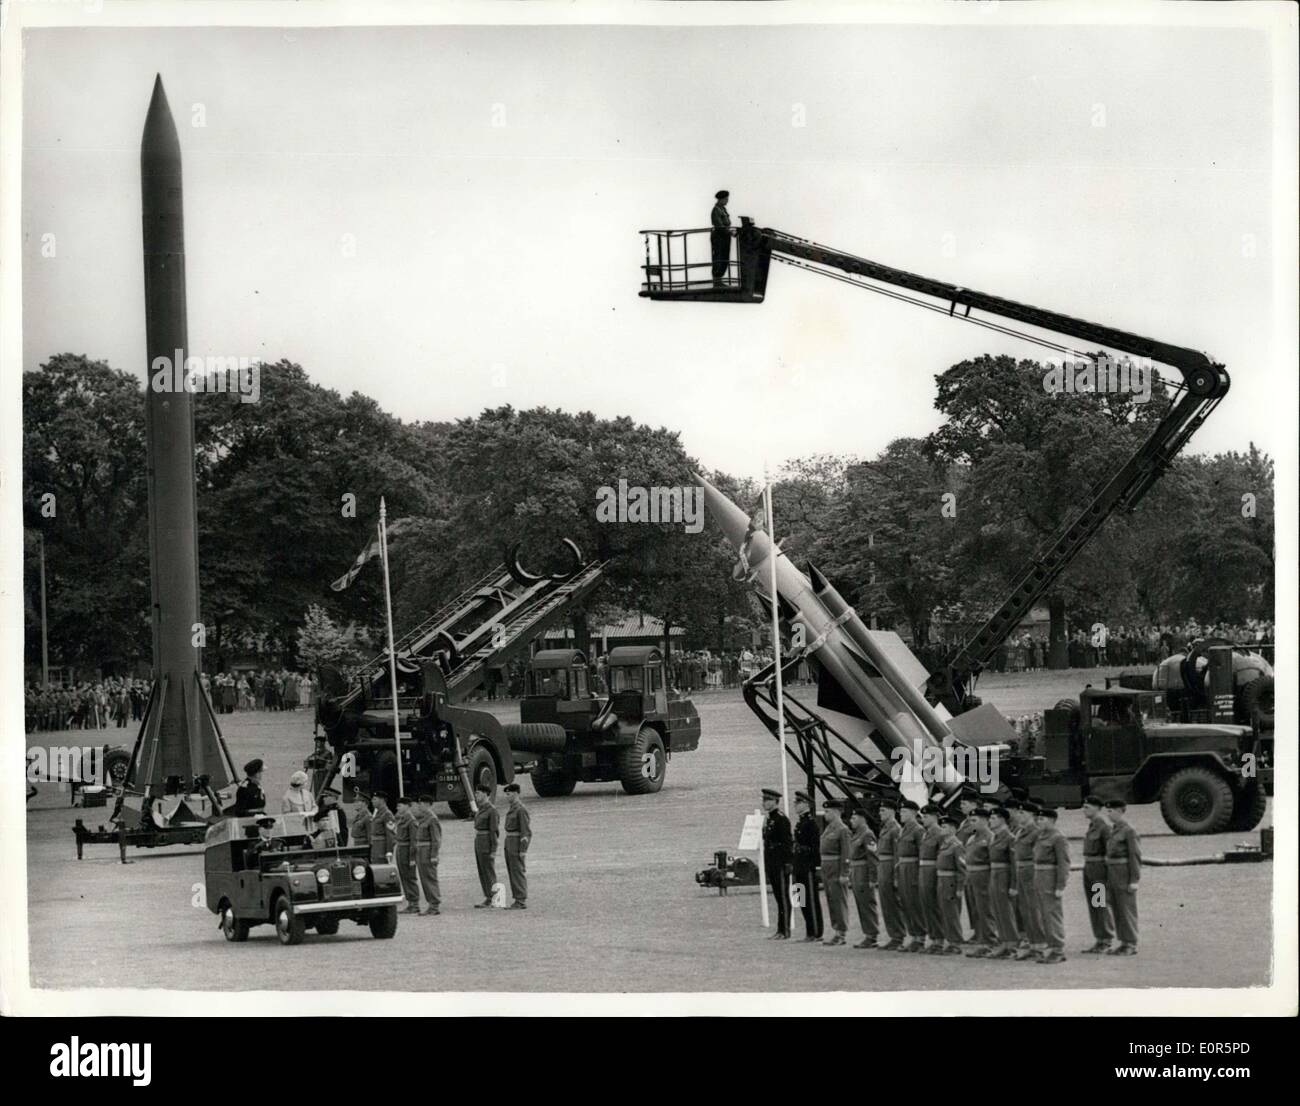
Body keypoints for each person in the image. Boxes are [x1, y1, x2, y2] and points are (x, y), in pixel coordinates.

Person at [1032, 806, 1071, 964]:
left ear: (1052, 821)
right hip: (1040, 878)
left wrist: (1060, 885)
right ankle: (1051, 946)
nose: (1039, 821)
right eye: (1038, 819)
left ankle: (1058, 949)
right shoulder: (1041, 836)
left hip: (1050, 879)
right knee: (1043, 914)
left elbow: (1064, 863)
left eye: (1043, 819)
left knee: (1052, 914)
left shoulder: (1058, 837)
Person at [1104, 799, 1141, 955]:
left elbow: (1135, 856)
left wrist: (1134, 880)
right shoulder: (1115, 829)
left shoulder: (1129, 830)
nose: (1109, 814)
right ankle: (1123, 942)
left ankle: (1130, 943)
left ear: (1120, 811)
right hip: (1113, 873)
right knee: (1117, 908)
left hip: (1123, 873)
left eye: (1111, 811)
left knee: (1126, 909)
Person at [1080, 795, 1117, 954]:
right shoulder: (1093, 826)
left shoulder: (1103, 827)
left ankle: (1106, 939)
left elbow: (1111, 851)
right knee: (1094, 905)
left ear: (1097, 808)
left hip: (1099, 871)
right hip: (1089, 868)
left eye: (1087, 807)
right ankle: (1099, 938)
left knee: (1100, 904)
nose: (1084, 809)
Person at [1010, 800, 1044, 961]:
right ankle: (1032, 944)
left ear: (1032, 815)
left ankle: (1040, 944)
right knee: (1025, 909)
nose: (1019, 815)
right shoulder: (1021, 831)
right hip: (1021, 871)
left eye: (1022, 813)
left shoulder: (1036, 832)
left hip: (1031, 872)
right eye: (1018, 812)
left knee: (1034, 909)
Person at [985, 805, 1020, 958]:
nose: (990, 821)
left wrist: (1014, 885)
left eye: (993, 818)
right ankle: (1004, 942)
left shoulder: (1009, 838)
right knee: (997, 910)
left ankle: (1012, 944)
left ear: (1002, 820)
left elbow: (1014, 863)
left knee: (1006, 911)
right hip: (995, 875)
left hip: (1004, 876)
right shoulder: (995, 837)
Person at [963, 806, 998, 956]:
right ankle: (980, 938)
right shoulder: (972, 837)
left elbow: (993, 859)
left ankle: (988, 941)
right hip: (971, 876)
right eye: (970, 820)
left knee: (985, 909)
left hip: (984, 876)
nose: (971, 823)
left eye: (974, 820)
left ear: (985, 821)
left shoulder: (990, 837)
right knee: (975, 909)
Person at [819, 799, 853, 946]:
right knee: (831, 900)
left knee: (839, 900)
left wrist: (845, 873)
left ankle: (842, 932)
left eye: (827, 812)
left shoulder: (842, 829)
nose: (825, 814)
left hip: (836, 867)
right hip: (827, 868)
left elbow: (846, 853)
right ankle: (836, 930)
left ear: (836, 812)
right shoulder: (829, 828)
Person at [760, 787, 792, 939]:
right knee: (778, 897)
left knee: (783, 897)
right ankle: (780, 929)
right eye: (764, 800)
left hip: (779, 862)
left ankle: (784, 930)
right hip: (772, 862)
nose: (764, 803)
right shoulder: (771, 819)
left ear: (775, 802)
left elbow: (787, 843)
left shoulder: (781, 819)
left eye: (767, 800)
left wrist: (787, 863)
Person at [791, 791, 824, 942]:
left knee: (810, 900)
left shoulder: (811, 824)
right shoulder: (801, 822)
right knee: (801, 899)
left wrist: (816, 867)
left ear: (806, 804)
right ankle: (809, 930)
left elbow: (815, 847)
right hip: (799, 866)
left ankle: (815, 932)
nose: (795, 805)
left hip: (807, 866)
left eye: (798, 802)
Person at [875, 801, 906, 950]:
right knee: (886, 904)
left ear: (892, 811)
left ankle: (898, 935)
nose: (880, 813)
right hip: (883, 867)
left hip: (890, 868)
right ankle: (893, 935)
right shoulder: (885, 828)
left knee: (893, 903)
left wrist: (895, 876)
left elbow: (897, 854)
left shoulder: (895, 829)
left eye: (883, 810)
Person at [847, 804, 880, 949]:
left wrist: (873, 878)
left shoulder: (867, 834)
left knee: (867, 903)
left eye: (854, 818)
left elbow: (872, 857)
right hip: (856, 871)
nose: (850, 820)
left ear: (862, 819)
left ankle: (872, 935)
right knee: (861, 904)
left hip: (864, 872)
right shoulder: (857, 834)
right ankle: (868, 934)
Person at [894, 799, 925, 952]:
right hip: (903, 867)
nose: (901, 814)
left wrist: (919, 874)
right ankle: (913, 935)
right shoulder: (903, 829)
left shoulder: (918, 830)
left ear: (913, 813)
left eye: (904, 811)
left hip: (913, 868)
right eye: (901, 811)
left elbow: (922, 853)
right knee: (905, 902)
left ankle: (920, 937)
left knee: (914, 902)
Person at [934, 815, 967, 955]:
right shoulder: (945, 844)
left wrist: (960, 888)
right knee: (944, 911)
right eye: (941, 826)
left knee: (952, 913)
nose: (942, 829)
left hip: (951, 882)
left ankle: (956, 942)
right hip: (942, 880)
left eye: (945, 826)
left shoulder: (956, 845)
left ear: (953, 829)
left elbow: (962, 868)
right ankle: (949, 940)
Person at [917, 805, 944, 952]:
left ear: (935, 817)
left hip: (933, 871)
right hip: (923, 871)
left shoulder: (939, 833)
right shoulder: (926, 834)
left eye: (926, 817)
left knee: (934, 905)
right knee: (926, 905)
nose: (923, 819)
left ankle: (939, 940)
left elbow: (941, 855)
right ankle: (933, 938)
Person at [503, 783, 532, 909]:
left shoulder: (520, 809)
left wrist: (523, 850)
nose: (507, 797)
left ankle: (521, 899)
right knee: (512, 871)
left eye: (508, 794)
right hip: (510, 842)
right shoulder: (512, 808)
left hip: (515, 843)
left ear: (515, 794)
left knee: (517, 871)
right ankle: (517, 898)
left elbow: (525, 832)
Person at [413, 794, 442, 916]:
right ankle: (431, 904)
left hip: (428, 851)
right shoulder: (424, 818)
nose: (419, 806)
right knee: (424, 878)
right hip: (421, 851)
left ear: (427, 804)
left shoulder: (432, 819)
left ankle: (434, 904)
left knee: (430, 877)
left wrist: (434, 855)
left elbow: (436, 839)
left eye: (421, 803)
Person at [472, 783, 501, 908]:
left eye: (478, 793)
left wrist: (493, 849)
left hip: (486, 842)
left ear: (485, 794)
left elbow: (494, 831)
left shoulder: (491, 810)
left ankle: (495, 897)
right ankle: (488, 896)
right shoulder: (481, 809)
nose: (476, 795)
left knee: (489, 871)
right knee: (482, 870)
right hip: (479, 840)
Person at [393, 795, 421, 914]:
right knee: (404, 876)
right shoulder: (402, 819)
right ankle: (410, 902)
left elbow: (414, 842)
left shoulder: (411, 820)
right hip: (401, 849)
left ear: (407, 806)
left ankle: (414, 903)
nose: (397, 808)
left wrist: (412, 858)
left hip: (407, 851)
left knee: (410, 877)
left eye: (400, 805)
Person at [368, 793, 397, 866]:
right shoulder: (377, 813)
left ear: (382, 800)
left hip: (382, 849)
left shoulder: (387, 814)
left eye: (375, 799)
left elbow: (390, 835)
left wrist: (389, 851)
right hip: (375, 848)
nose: (372, 801)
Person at [710, 189, 731, 288]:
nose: (727, 201)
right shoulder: (716, 210)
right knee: (719, 257)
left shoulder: (723, 209)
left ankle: (719, 280)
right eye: (726, 199)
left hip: (725, 237)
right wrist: (730, 232)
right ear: (721, 199)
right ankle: (717, 281)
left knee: (724, 257)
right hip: (719, 237)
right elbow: (719, 225)